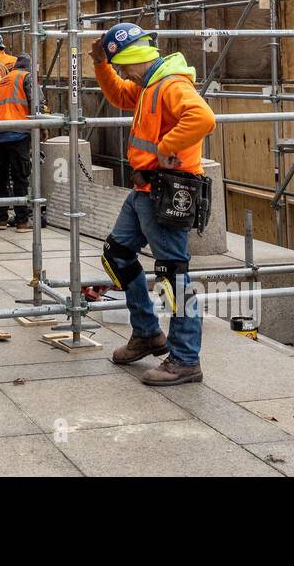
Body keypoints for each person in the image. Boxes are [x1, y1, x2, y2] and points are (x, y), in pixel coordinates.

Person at [90, 23, 216, 386]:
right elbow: (117, 95)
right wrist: (101, 63)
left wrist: (165, 148)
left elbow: (204, 118)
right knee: (117, 254)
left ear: (133, 59)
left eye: (122, 65)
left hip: (165, 189)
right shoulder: (150, 85)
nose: (123, 72)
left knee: (174, 276)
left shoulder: (170, 85)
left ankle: (185, 359)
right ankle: (147, 333)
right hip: (145, 190)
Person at [0, 52, 35, 232]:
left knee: (0, 179)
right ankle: (22, 221)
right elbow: (36, 103)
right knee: (20, 177)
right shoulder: (26, 77)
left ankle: (1, 220)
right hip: (17, 133)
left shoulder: (2, 80)